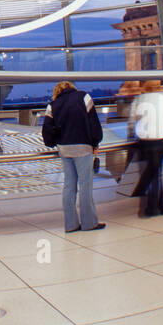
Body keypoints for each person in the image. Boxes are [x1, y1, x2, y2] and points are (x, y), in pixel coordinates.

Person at [41, 81, 107, 232]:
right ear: (72, 87)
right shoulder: (84, 97)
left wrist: (53, 143)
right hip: (83, 146)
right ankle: (89, 223)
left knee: (69, 186)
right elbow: (94, 123)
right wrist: (95, 143)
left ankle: (71, 225)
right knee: (85, 186)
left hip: (64, 149)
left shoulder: (53, 104)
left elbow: (47, 130)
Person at [131, 81, 163, 217]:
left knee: (151, 173)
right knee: (157, 172)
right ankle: (159, 206)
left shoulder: (139, 100)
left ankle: (153, 207)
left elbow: (132, 121)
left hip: (146, 140)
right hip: (162, 139)